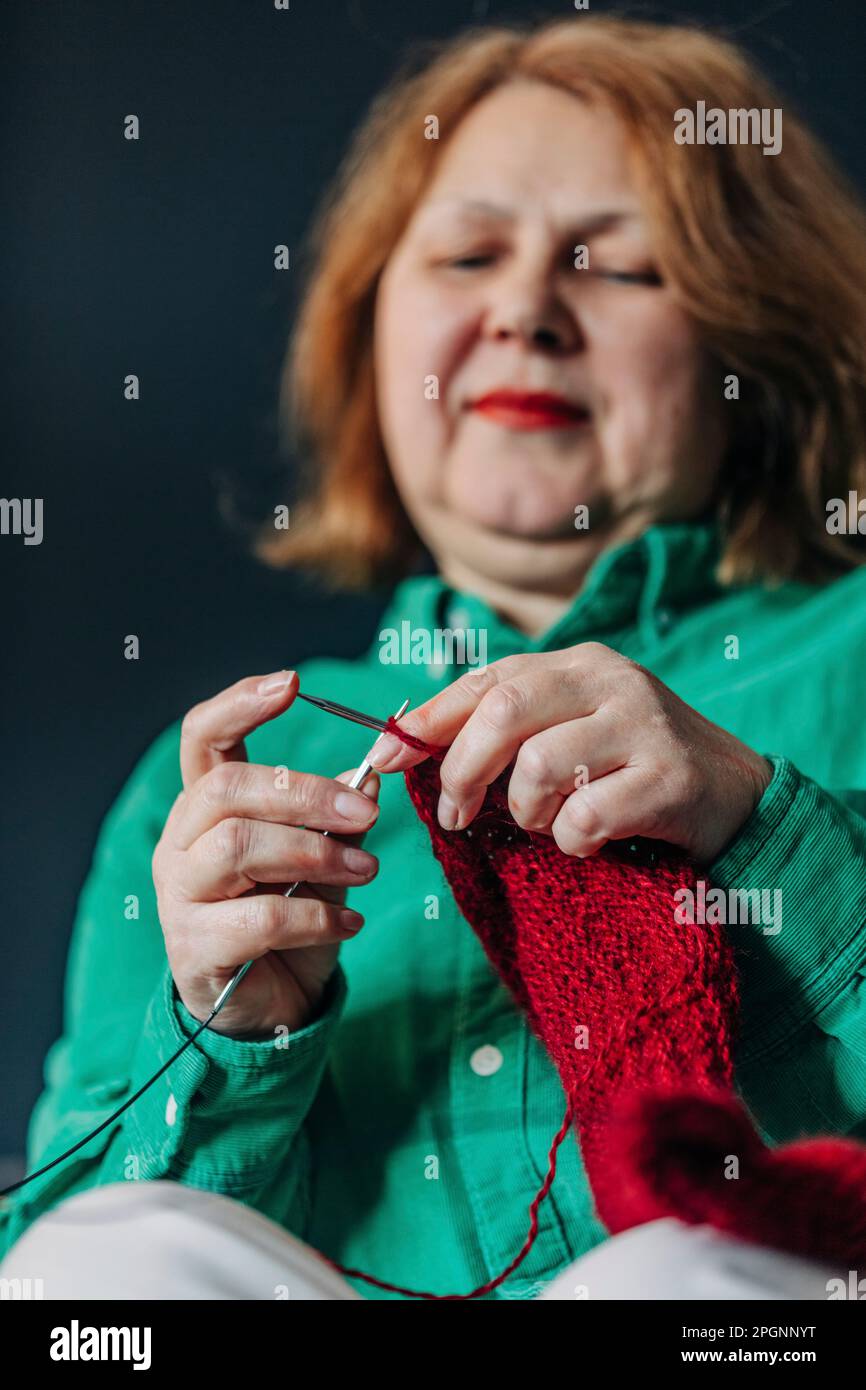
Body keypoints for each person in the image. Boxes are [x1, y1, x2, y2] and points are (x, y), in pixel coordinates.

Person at [3, 15, 866, 1301]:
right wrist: (234, 1040)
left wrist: (757, 825)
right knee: (105, 1258)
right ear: (371, 342)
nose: (524, 310)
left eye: (619, 269)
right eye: (466, 256)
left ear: (754, 342)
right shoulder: (221, 787)